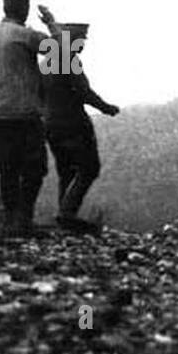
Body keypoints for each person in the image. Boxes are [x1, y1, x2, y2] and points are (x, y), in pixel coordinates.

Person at [0, 0, 59, 235]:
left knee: (8, 169)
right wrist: (51, 22)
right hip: (26, 114)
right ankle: (24, 219)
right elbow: (63, 50)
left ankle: (11, 221)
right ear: (24, 9)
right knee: (35, 168)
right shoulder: (26, 35)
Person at [38, 16, 119, 232]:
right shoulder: (69, 61)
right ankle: (66, 213)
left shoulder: (46, 63)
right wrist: (106, 108)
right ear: (71, 39)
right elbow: (84, 92)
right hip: (73, 124)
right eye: (82, 37)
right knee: (89, 168)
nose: (84, 42)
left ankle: (64, 215)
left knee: (67, 171)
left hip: (50, 125)